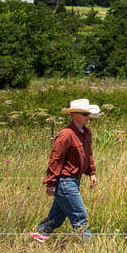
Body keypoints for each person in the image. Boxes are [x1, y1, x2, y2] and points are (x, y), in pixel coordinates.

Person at [32, 98, 100, 242]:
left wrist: (91, 172)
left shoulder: (86, 133)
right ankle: (89, 248)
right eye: (84, 114)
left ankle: (37, 237)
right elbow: (56, 159)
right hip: (65, 181)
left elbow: (88, 154)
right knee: (79, 216)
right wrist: (51, 182)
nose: (88, 117)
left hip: (75, 180)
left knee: (56, 218)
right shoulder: (66, 134)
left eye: (88, 114)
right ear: (74, 115)